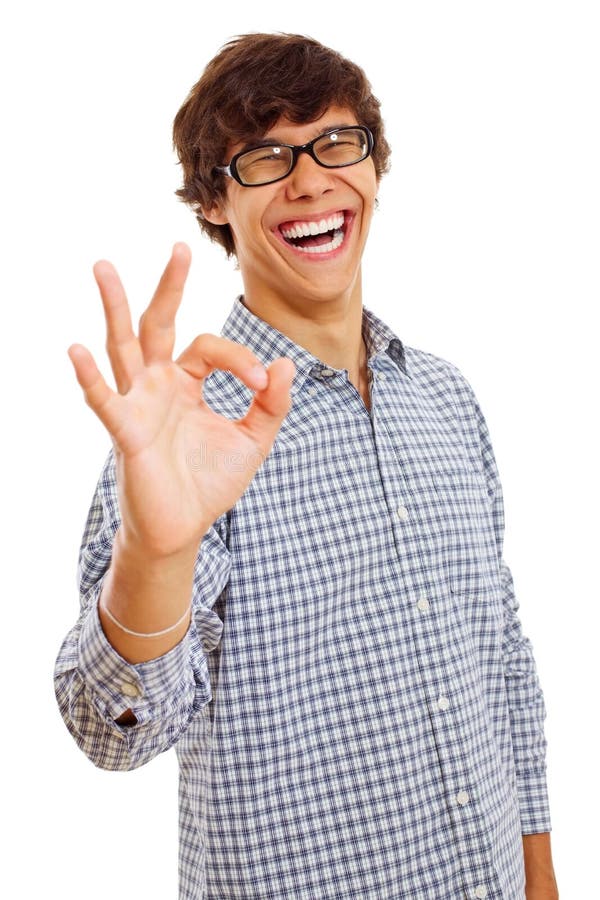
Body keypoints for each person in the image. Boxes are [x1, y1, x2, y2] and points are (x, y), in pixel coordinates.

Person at [54, 33, 559, 899]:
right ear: (214, 201)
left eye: (335, 143)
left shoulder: (446, 398)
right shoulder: (184, 439)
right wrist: (156, 555)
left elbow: (503, 660)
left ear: (371, 166)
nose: (311, 179)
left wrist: (541, 879)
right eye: (265, 157)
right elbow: (116, 733)